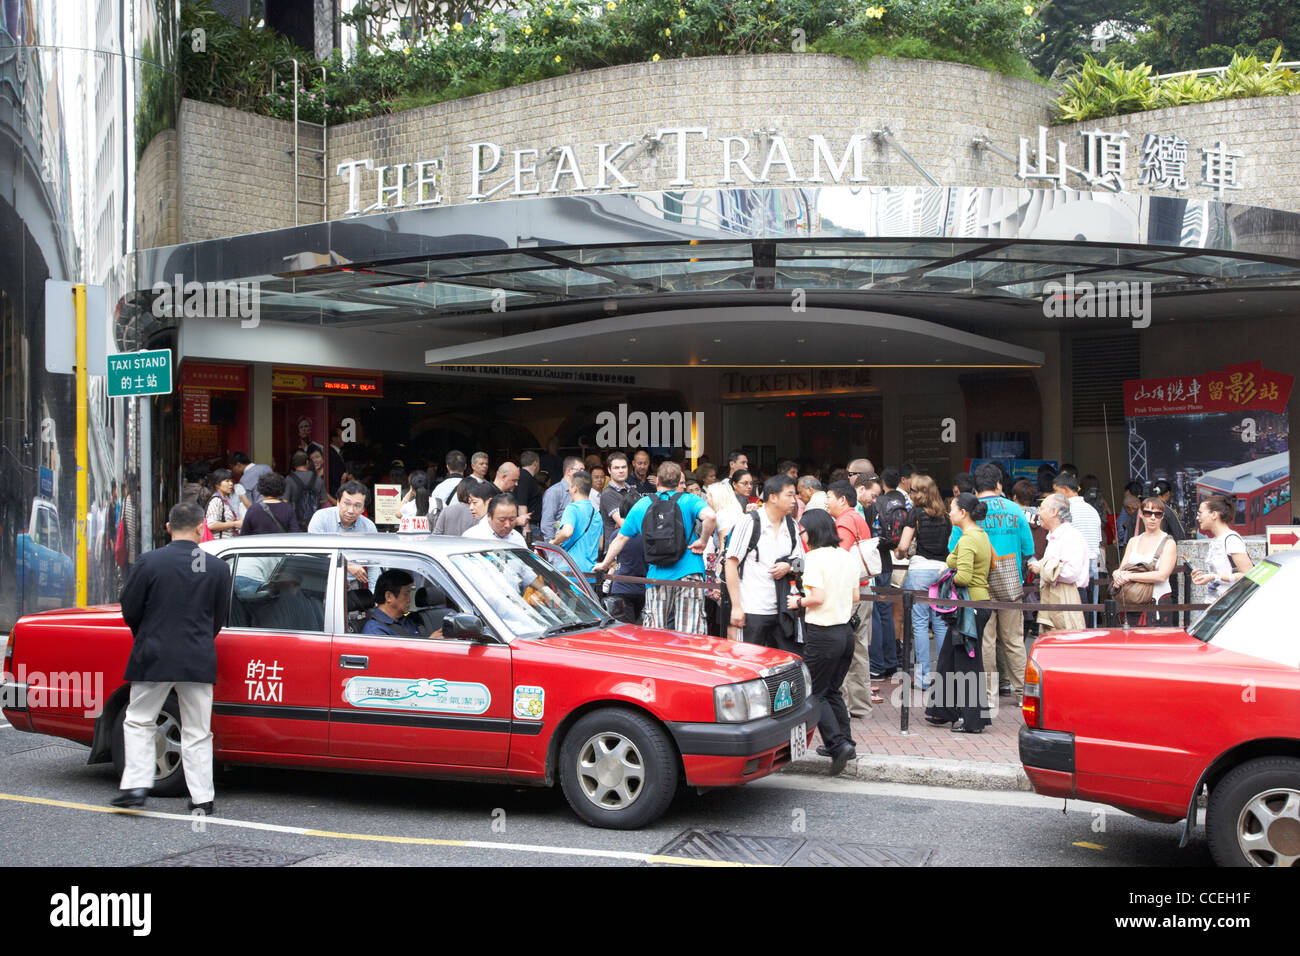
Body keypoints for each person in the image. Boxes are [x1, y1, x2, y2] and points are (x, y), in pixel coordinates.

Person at [110, 502, 231, 813]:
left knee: (138, 720)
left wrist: (147, 634)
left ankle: (136, 786)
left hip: (154, 654)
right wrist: (200, 639)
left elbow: (130, 609)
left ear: (168, 527)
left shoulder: (149, 563)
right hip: (198, 656)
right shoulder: (216, 567)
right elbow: (219, 617)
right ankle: (202, 797)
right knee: (198, 730)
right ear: (200, 527)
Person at [596, 462, 716, 635]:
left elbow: (621, 538)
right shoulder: (690, 499)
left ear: (657, 481)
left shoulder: (643, 503)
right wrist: (703, 541)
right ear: (679, 482)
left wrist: (604, 564)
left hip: (657, 575)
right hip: (690, 573)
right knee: (691, 632)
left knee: (655, 631)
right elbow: (710, 517)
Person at [954, 463, 1035, 701]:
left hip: (980, 586)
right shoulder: (1015, 510)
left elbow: (954, 550)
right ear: (999, 484)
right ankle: (1024, 693)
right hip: (1011, 584)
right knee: (1014, 641)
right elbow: (1028, 548)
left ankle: (988, 696)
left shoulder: (969, 513)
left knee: (986, 641)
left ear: (976, 487)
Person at [789, 509, 859, 775]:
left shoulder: (814, 558)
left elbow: (815, 597)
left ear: (814, 531)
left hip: (822, 633)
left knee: (814, 693)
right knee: (832, 690)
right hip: (845, 633)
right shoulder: (846, 556)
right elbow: (855, 596)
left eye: (803, 531)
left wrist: (798, 601)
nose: (802, 537)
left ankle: (837, 744)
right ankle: (846, 742)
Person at [925, 493, 991, 734]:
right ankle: (942, 711)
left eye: (951, 508)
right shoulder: (980, 536)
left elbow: (962, 576)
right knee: (950, 658)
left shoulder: (968, 540)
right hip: (977, 603)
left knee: (966, 662)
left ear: (963, 512)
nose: (948, 512)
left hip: (968, 607)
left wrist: (950, 563)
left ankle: (972, 720)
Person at [722, 474, 800, 651]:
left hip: (783, 610)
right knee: (748, 660)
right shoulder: (749, 522)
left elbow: (802, 563)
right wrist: (736, 606)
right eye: (789, 495)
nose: (794, 500)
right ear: (772, 497)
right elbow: (731, 563)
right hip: (752, 608)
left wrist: (789, 566)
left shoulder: (792, 525)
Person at [826, 480, 878, 716]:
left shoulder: (845, 520)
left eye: (829, 497)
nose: (826, 502)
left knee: (843, 647)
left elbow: (840, 556)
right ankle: (860, 704)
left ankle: (843, 704)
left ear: (842, 500)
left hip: (850, 591)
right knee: (859, 648)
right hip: (863, 588)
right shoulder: (858, 518)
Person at [894, 475, 951, 690]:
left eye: (913, 491)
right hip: (941, 571)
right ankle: (945, 676)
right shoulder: (946, 516)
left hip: (919, 571)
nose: (911, 495)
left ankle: (922, 678)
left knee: (919, 625)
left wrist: (900, 553)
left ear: (919, 493)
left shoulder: (915, 514)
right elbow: (948, 545)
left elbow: (904, 544)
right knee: (940, 623)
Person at [1027, 494, 1087, 633]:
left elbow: (1072, 572)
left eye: (1041, 508)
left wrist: (1041, 567)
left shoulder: (1070, 536)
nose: (1038, 513)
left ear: (1054, 512)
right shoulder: (1054, 536)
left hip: (1067, 595)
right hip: (1052, 596)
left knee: (1067, 640)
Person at [1112, 496, 1176, 626]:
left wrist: (1130, 576)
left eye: (1157, 514)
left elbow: (1162, 575)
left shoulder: (1169, 542)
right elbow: (1122, 568)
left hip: (1157, 601)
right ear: (1141, 515)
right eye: (1148, 513)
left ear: (1162, 517)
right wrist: (1116, 574)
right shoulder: (1133, 541)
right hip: (1131, 601)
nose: (1152, 517)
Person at [1053, 471, 1102, 627]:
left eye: (1056, 491)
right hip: (1093, 565)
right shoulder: (1092, 511)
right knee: (1090, 613)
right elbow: (1098, 542)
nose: (1055, 496)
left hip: (1074, 567)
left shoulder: (1066, 512)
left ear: (1066, 490)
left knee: (1073, 616)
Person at [1191, 496, 1253, 604]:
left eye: (1200, 513)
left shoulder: (1231, 539)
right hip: (1213, 604)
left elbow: (1249, 574)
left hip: (1229, 606)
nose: (1197, 517)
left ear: (1214, 514)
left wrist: (1214, 576)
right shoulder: (1216, 540)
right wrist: (1204, 577)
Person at [704, 480, 745, 637]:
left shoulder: (722, 516)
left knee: (728, 619)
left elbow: (724, 548)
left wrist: (718, 576)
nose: (706, 500)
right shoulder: (737, 512)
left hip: (729, 570)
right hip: (740, 568)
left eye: (708, 496)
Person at [552, 471, 601, 572]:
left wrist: (554, 542)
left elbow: (567, 532)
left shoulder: (572, 508)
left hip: (570, 569)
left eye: (570, 486)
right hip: (589, 572)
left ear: (575, 488)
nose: (569, 489)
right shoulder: (596, 514)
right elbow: (600, 545)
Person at [362, 569, 421, 637]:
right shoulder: (374, 631)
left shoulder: (407, 620)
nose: (409, 600)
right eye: (406, 594)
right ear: (388, 596)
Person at [541, 456, 582, 549]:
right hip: (559, 548)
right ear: (568, 471)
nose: (583, 474)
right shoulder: (554, 492)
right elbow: (547, 524)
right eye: (580, 470)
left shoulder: (580, 492)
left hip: (576, 547)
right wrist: (552, 549)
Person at [286, 451, 328, 531]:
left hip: (295, 521)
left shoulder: (289, 479)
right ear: (307, 462)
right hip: (315, 519)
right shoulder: (317, 478)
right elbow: (324, 500)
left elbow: (285, 501)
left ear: (294, 464)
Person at [204, 469, 242, 538]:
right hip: (219, 545)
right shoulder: (216, 500)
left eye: (231, 481)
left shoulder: (223, 500)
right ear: (217, 484)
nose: (231, 484)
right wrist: (234, 524)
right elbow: (211, 525)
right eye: (227, 481)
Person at [515, 451, 545, 536]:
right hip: (529, 524)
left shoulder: (523, 476)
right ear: (535, 463)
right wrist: (526, 527)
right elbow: (522, 503)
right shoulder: (525, 478)